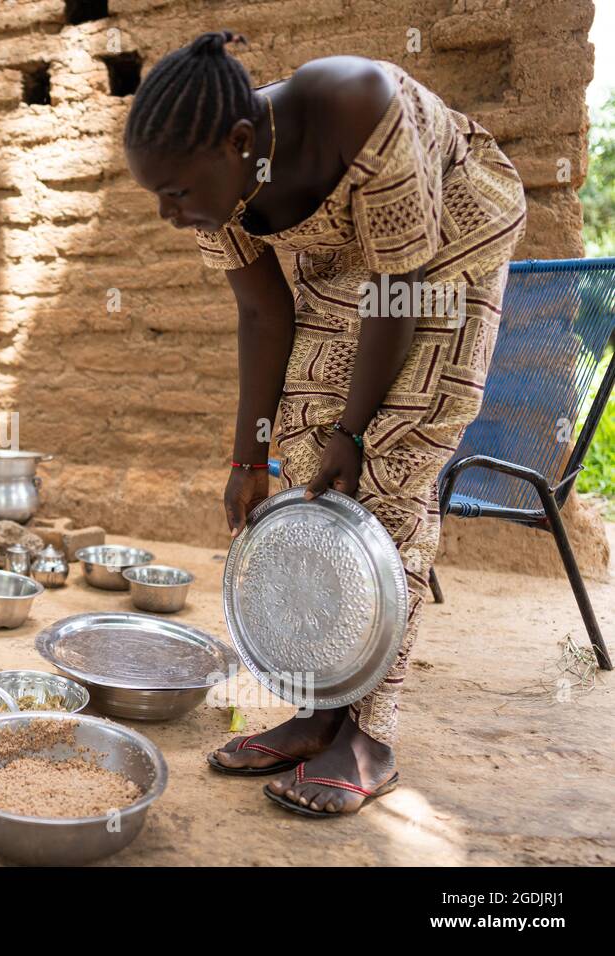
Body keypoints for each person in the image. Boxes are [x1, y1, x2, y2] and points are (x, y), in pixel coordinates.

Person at [124, 32, 527, 815]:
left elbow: (398, 290)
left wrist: (356, 431)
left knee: (389, 470)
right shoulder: (226, 181)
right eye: (157, 197)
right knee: (308, 459)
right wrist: (252, 457)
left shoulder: (354, 106)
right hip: (348, 261)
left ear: (240, 143)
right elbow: (262, 312)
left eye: (174, 194)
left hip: (442, 257)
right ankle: (321, 710)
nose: (169, 216)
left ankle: (370, 739)